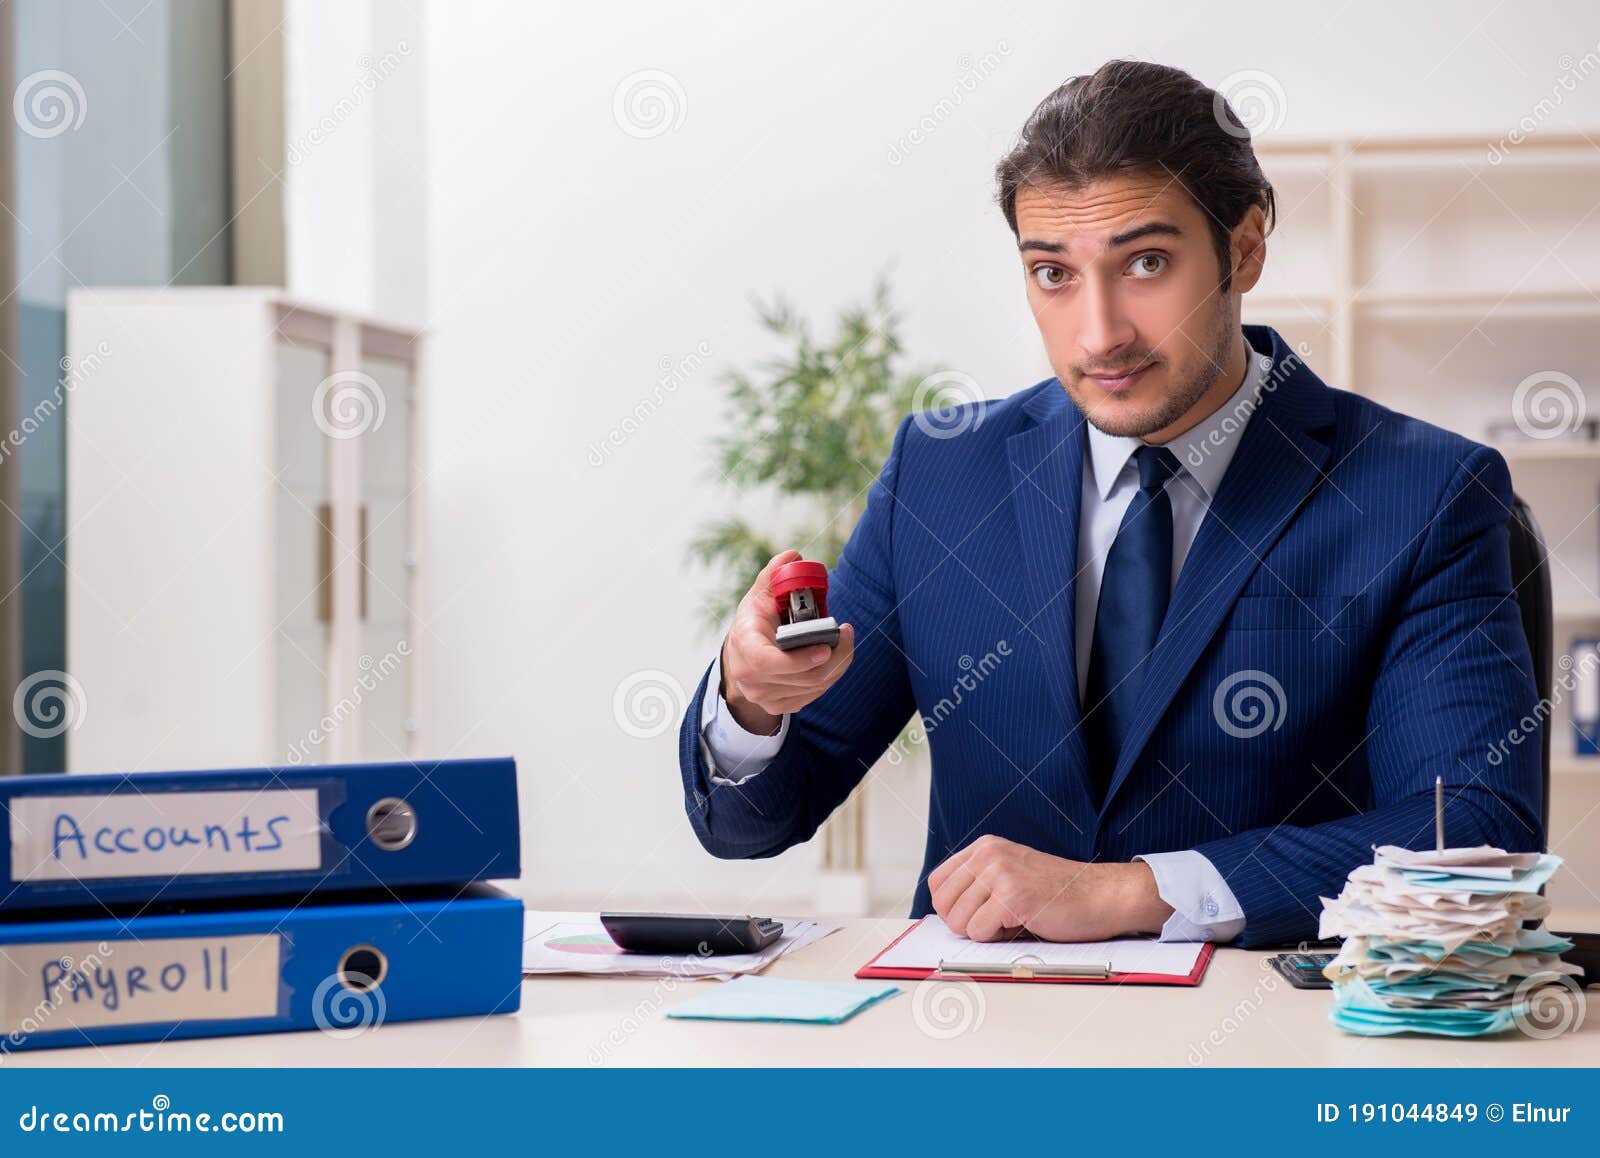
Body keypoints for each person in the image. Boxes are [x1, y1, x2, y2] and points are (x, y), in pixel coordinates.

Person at [676, 59, 1543, 949]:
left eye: (1146, 263)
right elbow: (755, 823)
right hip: (978, 1038)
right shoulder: (941, 476)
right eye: (1053, 274)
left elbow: (1471, 837)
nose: (1101, 334)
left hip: (1269, 1042)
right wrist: (751, 705)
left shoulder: (1423, 493)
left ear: (1243, 249)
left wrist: (1141, 894)